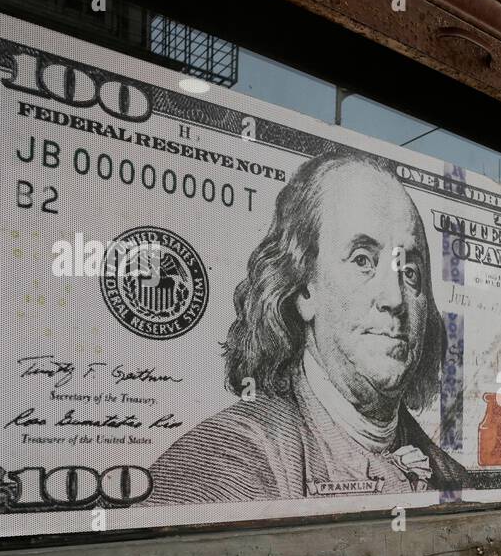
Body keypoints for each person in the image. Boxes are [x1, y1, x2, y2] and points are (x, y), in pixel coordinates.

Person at [147, 150, 466, 505]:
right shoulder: (221, 466)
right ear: (303, 288)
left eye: (410, 272)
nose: (394, 298)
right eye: (363, 261)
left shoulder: (454, 478)